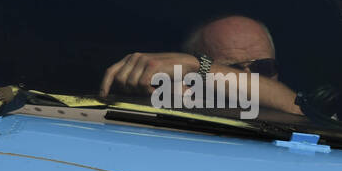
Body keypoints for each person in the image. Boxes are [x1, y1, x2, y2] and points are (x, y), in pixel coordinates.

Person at [99, 14, 301, 114]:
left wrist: (197, 66)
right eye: (231, 70)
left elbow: (298, 109)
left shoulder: (312, 130)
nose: (248, 81)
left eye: (264, 67)